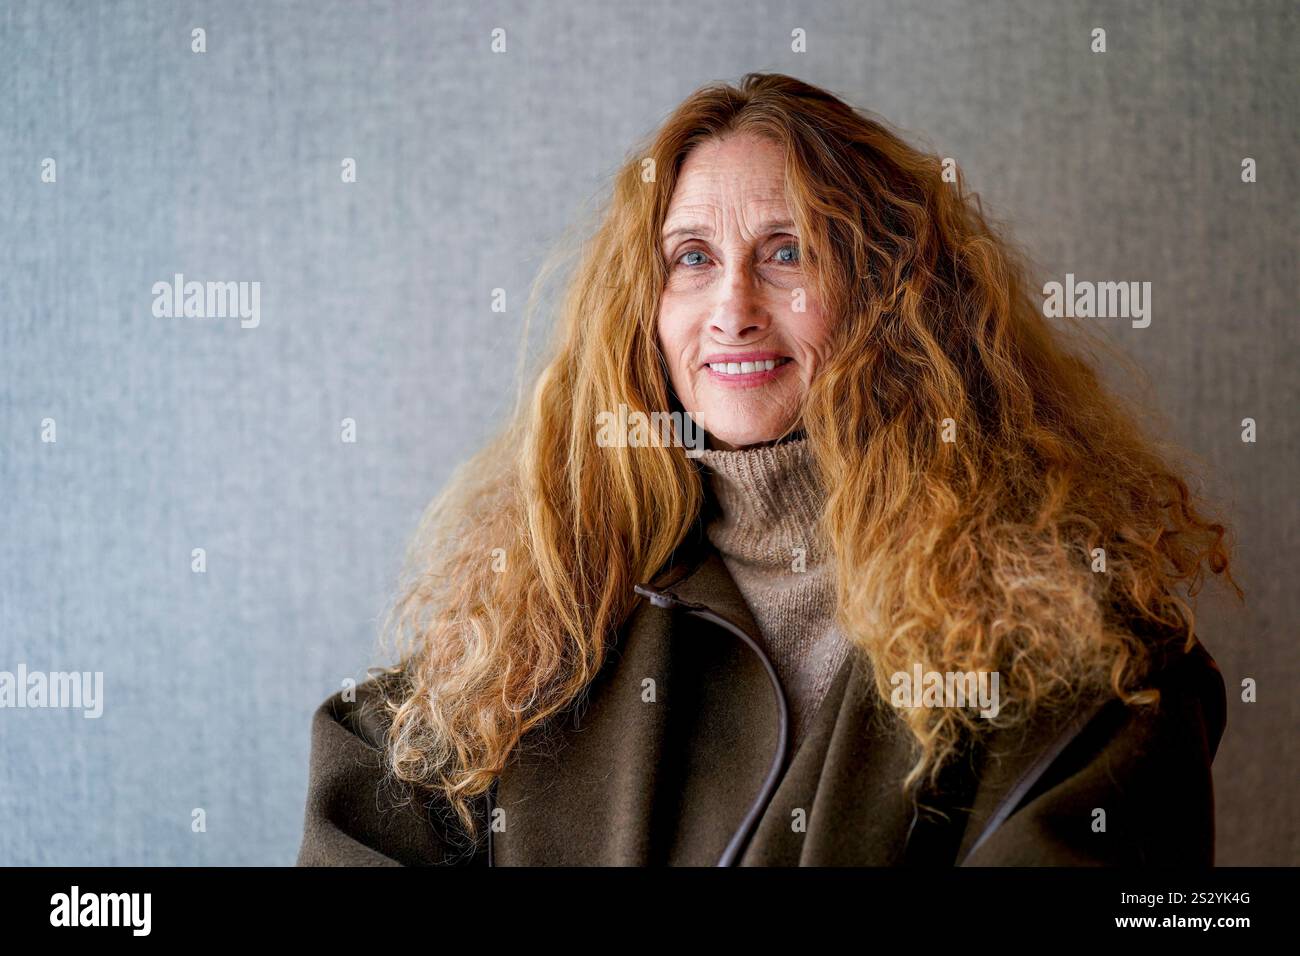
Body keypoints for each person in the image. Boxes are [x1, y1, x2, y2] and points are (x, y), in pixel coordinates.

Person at [296, 72, 1242, 867]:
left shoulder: (1075, 649)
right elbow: (369, 786)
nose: (733, 307)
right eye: (692, 258)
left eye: (788, 252)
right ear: (645, 311)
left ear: (889, 296)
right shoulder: (545, 610)